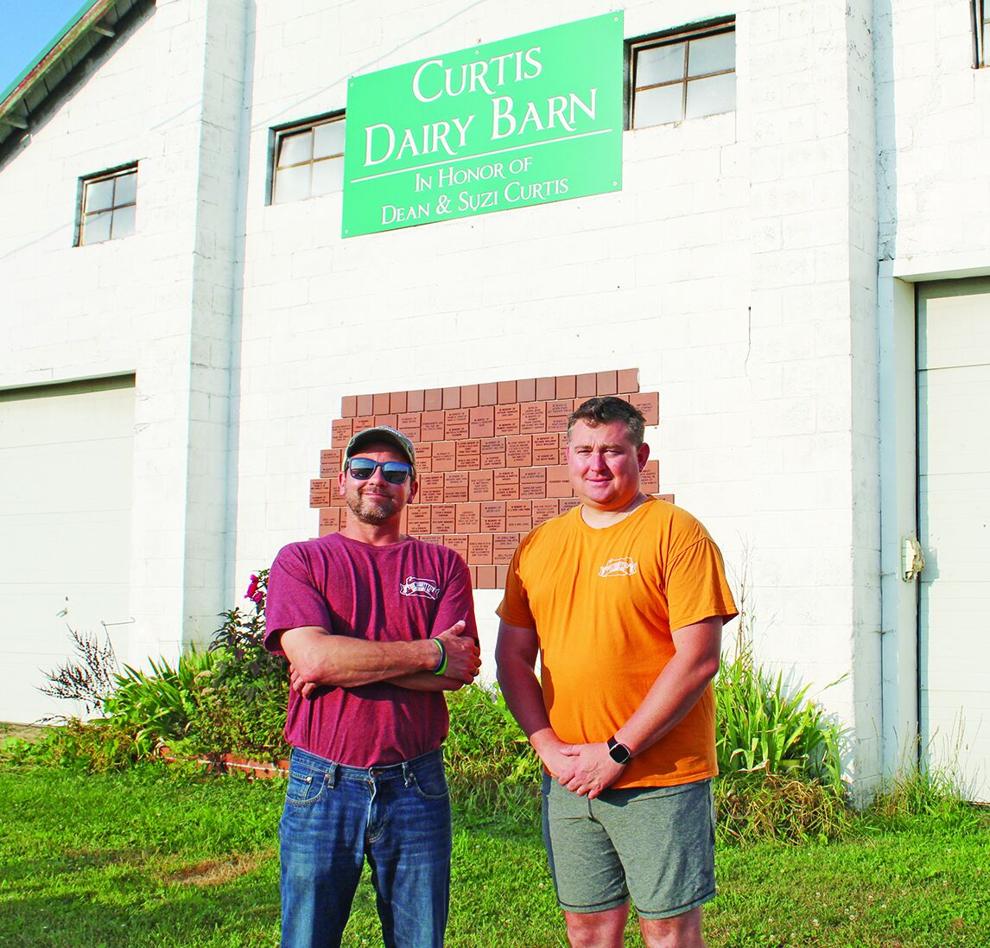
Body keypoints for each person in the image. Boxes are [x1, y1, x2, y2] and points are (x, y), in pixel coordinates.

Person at [496, 396, 737, 948]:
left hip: (658, 777)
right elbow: (512, 658)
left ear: (641, 454)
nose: (596, 465)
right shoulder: (538, 545)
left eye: (612, 450)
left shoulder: (676, 533)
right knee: (587, 930)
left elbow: (698, 658)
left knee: (669, 932)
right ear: (567, 455)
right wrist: (547, 747)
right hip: (569, 776)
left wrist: (618, 751)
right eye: (584, 450)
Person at [264, 424, 481, 948]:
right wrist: (429, 652)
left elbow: (460, 669)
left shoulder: (443, 565)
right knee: (306, 937)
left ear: (413, 486)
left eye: (394, 471)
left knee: (419, 939)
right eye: (362, 469)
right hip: (322, 783)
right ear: (342, 482)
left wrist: (341, 660)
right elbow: (313, 657)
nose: (376, 480)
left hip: (416, 785)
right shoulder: (302, 560)